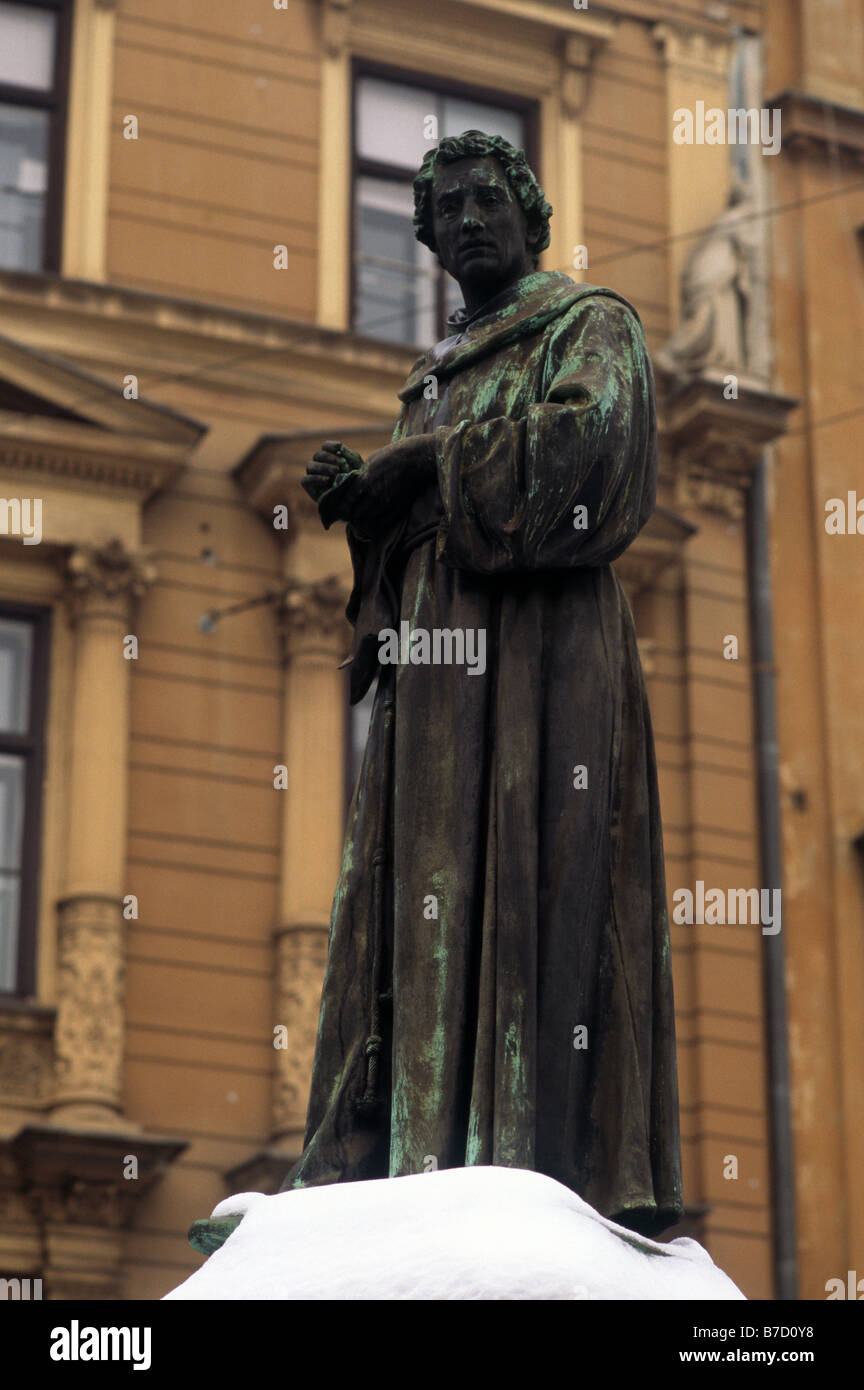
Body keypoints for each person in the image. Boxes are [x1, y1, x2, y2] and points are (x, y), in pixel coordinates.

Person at [289, 130, 682, 1236]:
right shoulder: (432, 375)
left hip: (543, 652)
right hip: (434, 669)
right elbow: (405, 530)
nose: (464, 220)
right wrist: (369, 511)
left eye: (483, 200)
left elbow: (596, 464)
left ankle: (524, 1148)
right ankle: (410, 1145)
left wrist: (428, 467)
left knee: (533, 880)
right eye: (442, 208)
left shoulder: (590, 325)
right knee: (417, 897)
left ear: (529, 211)